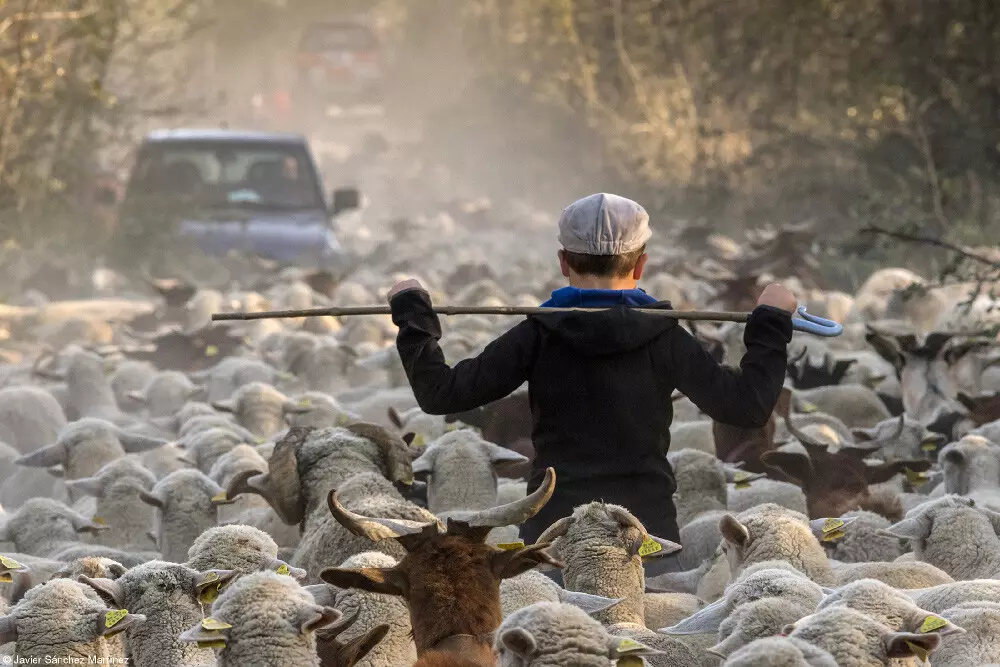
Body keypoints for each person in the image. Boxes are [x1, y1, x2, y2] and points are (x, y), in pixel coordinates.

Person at [386, 193, 796, 570]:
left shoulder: (537, 336)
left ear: (564, 261)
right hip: (645, 539)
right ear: (641, 264)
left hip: (554, 538)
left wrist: (412, 312)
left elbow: (442, 393)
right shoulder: (666, 338)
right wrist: (771, 324)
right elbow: (747, 406)